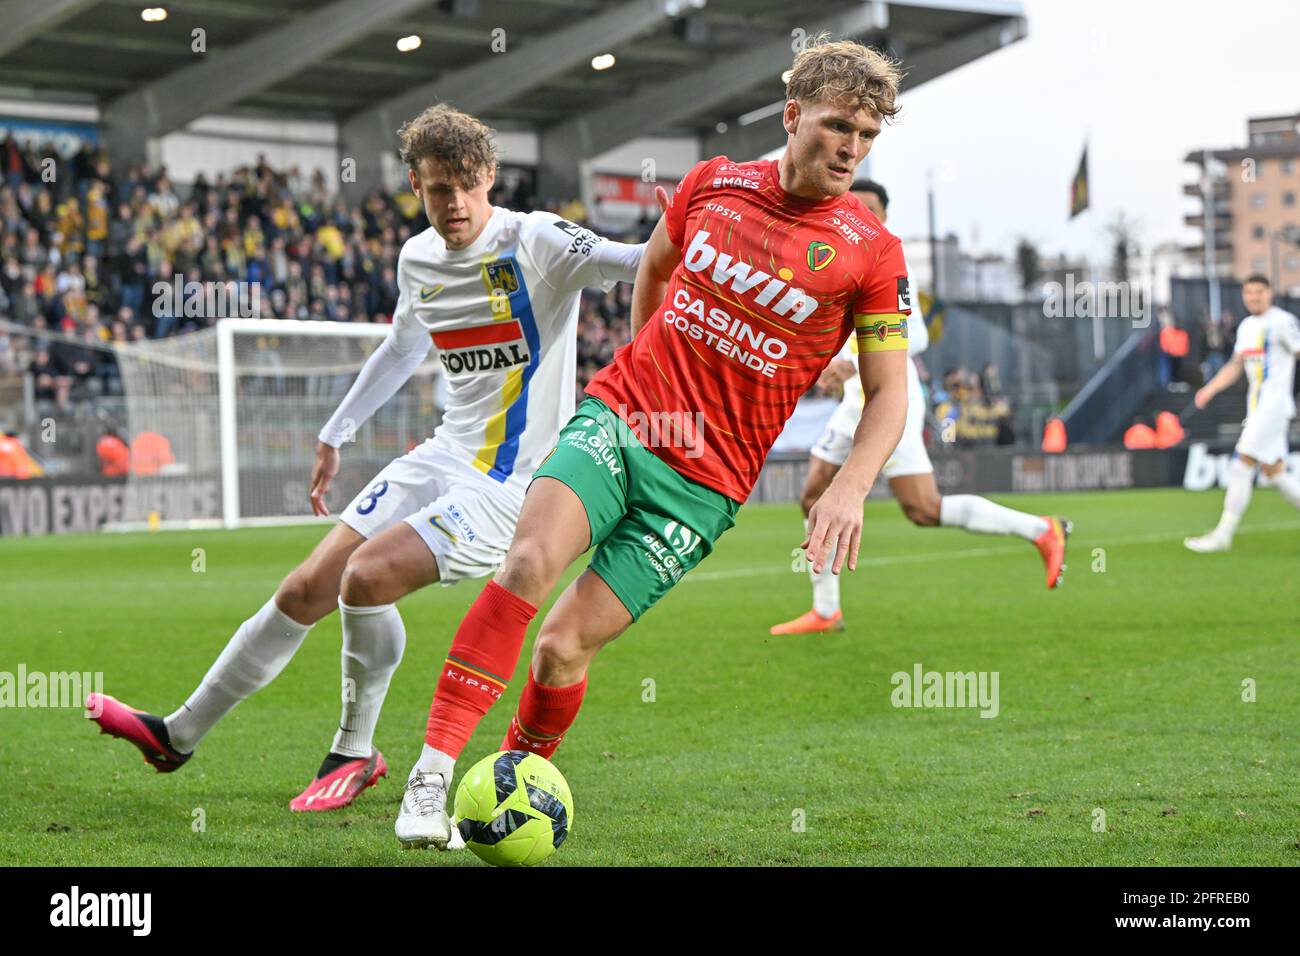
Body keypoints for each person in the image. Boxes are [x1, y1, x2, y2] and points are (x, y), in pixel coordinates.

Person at [393, 36, 913, 849]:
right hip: (624, 418)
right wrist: (644, 366)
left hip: (706, 486)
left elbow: (889, 394)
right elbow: (654, 267)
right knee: (528, 562)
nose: (852, 146)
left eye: (869, 135)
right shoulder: (714, 185)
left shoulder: (873, 254)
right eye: (839, 124)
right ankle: (428, 782)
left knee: (562, 651)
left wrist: (848, 487)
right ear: (791, 116)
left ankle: (503, 792)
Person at [86, 104, 645, 814]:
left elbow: (632, 261)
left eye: (468, 184)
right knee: (303, 588)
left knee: (368, 576)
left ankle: (354, 751)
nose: (455, 202)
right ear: (415, 183)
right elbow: (402, 348)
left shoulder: (533, 239)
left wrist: (694, 222)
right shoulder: (417, 259)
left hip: (516, 486)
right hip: (445, 455)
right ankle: (177, 734)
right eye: (439, 187)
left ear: (491, 177)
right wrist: (335, 432)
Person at [769, 180, 1070, 636]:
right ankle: (826, 608)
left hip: (889, 402)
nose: (858, 212)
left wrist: (851, 362)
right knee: (812, 494)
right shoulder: (831, 253)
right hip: (854, 404)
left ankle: (1042, 529)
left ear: (885, 215)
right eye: (853, 203)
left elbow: (920, 336)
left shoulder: (888, 259)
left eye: (870, 207)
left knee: (923, 509)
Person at [1185, 274, 1300, 552]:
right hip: (1257, 407)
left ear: (1270, 292)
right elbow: (1236, 365)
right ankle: (1222, 535)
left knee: (1241, 463)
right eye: (1248, 293)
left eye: (1259, 291)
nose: (1253, 297)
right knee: (1274, 473)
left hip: (1272, 408)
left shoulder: (1282, 322)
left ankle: (1223, 534)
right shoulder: (1247, 326)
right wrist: (1210, 389)